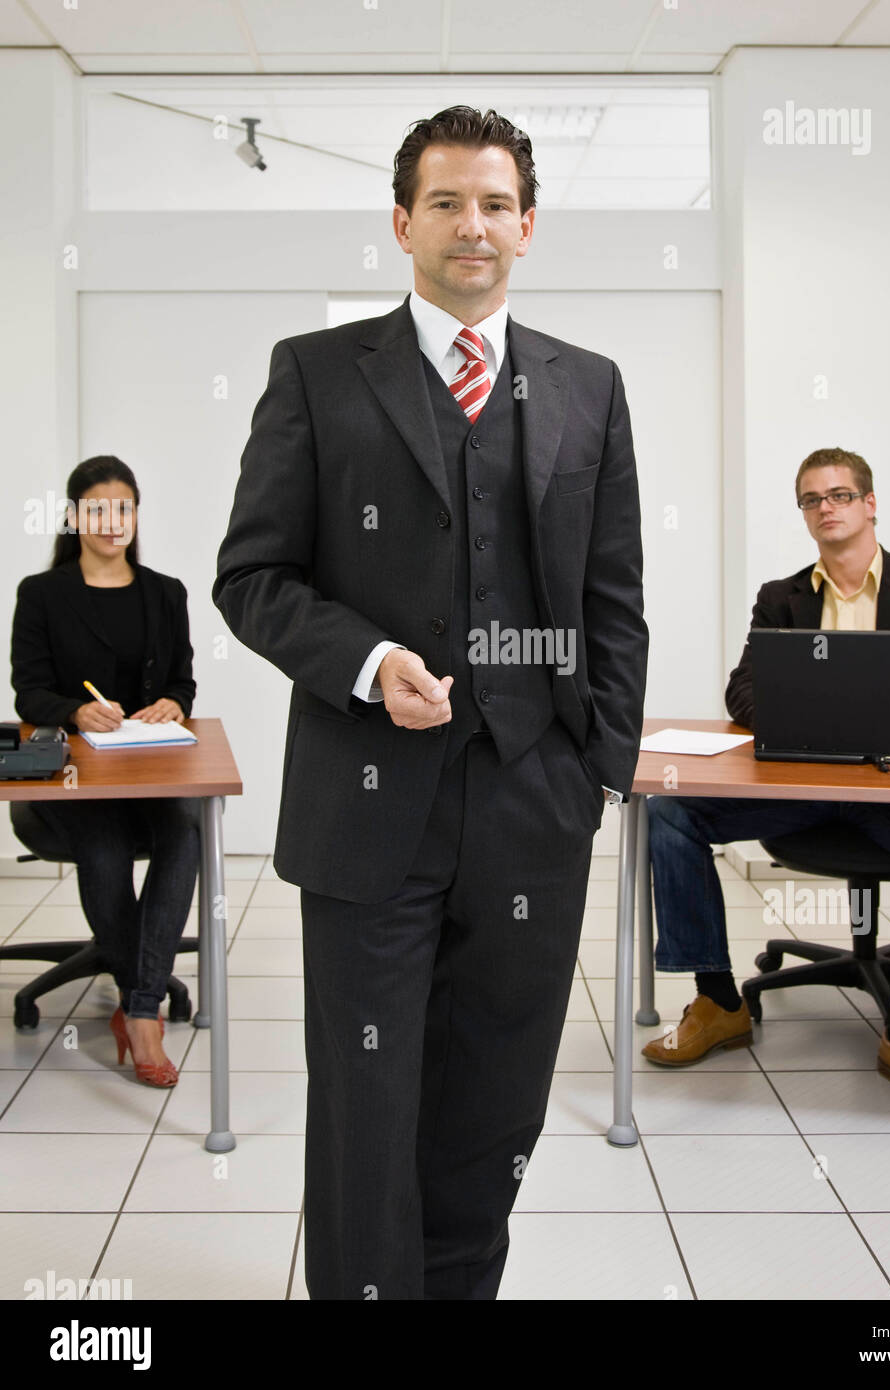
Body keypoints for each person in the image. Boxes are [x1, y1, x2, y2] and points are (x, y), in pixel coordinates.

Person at [213, 106, 648, 1300]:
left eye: (497, 203)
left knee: (494, 1105)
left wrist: (595, 773)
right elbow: (251, 578)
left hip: (533, 804)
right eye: (448, 201)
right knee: (367, 1109)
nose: (474, 224)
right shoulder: (315, 373)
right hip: (368, 806)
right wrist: (364, 660)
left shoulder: (589, 389)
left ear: (529, 226)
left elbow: (616, 601)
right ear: (402, 222)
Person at [644, 446, 890, 1116]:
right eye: (813, 499)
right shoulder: (781, 598)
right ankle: (718, 1000)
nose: (826, 509)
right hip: (805, 788)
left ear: (869, 504)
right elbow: (743, 691)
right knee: (668, 811)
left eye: (840, 495)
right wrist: (794, 721)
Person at [10, 455, 199, 1087]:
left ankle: (137, 1000)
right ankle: (141, 1007)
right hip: (71, 780)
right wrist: (75, 712)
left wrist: (174, 701)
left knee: (186, 832)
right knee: (106, 846)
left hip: (148, 772)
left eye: (123, 507)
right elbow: (29, 693)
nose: (112, 521)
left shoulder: (165, 592)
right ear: (72, 517)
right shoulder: (42, 594)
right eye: (96, 508)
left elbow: (182, 682)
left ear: (136, 514)